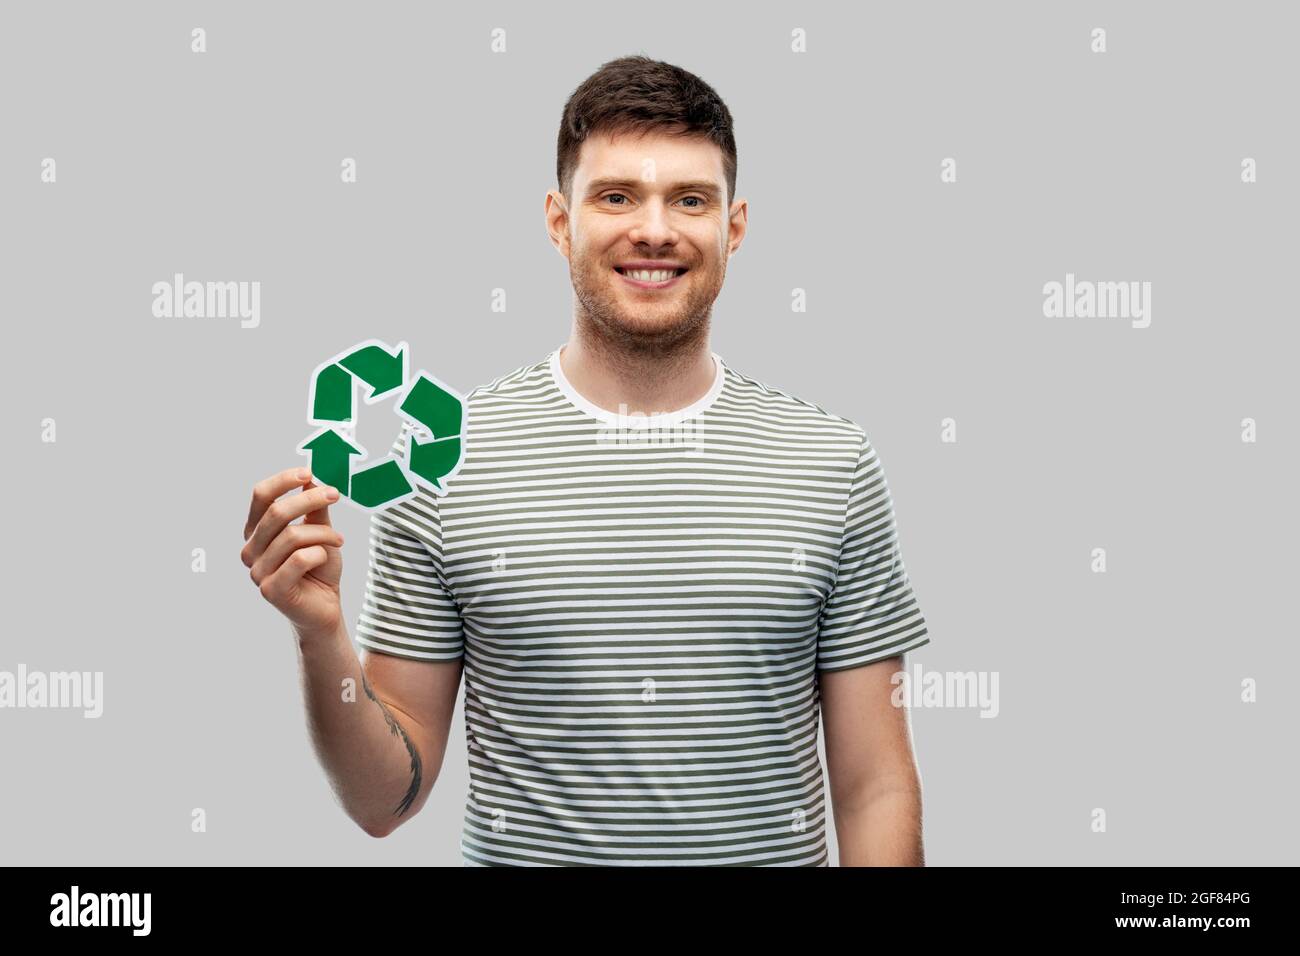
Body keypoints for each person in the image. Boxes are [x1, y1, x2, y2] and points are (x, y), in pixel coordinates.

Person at [242, 55, 931, 866]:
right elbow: (384, 799)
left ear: (733, 228)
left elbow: (874, 784)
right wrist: (319, 636)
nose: (654, 229)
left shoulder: (831, 462)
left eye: (689, 199)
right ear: (559, 221)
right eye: (616, 196)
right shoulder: (441, 462)